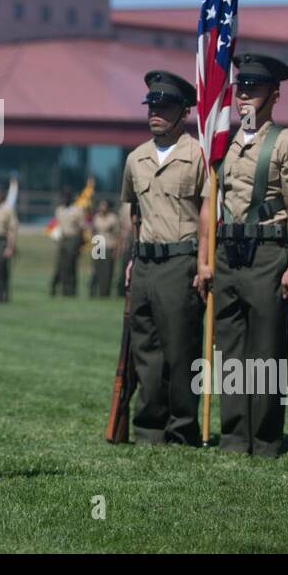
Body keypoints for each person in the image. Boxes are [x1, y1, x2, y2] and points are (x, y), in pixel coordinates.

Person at [201, 53, 288, 457]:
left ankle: (264, 438)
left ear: (274, 95)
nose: (245, 96)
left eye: (254, 89)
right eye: (241, 88)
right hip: (228, 252)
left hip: (267, 252)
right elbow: (210, 206)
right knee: (229, 347)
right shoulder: (222, 143)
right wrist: (205, 260)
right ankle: (233, 435)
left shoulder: (284, 142)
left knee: (266, 348)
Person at [120, 71, 208, 445]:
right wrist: (131, 256)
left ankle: (182, 428)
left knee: (180, 351)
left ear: (184, 112)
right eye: (152, 106)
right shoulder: (136, 158)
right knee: (146, 351)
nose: (155, 112)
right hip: (145, 264)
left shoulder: (199, 155)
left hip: (180, 262)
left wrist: (204, 263)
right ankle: (149, 428)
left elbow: (208, 214)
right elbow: (132, 210)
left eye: (165, 106)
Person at [51, 191, 84, 297]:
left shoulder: (77, 210)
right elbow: (57, 225)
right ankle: (62, 288)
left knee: (71, 264)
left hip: (73, 238)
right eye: (63, 197)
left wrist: (79, 244)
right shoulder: (59, 210)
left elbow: (81, 228)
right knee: (61, 264)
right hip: (62, 239)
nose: (64, 199)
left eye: (67, 197)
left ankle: (71, 290)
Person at [88, 199, 121, 298]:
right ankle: (93, 291)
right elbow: (93, 230)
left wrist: (116, 249)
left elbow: (117, 235)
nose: (102, 208)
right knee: (95, 270)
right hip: (98, 246)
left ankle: (105, 292)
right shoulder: (96, 217)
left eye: (104, 206)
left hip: (108, 246)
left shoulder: (113, 218)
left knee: (106, 271)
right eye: (100, 206)